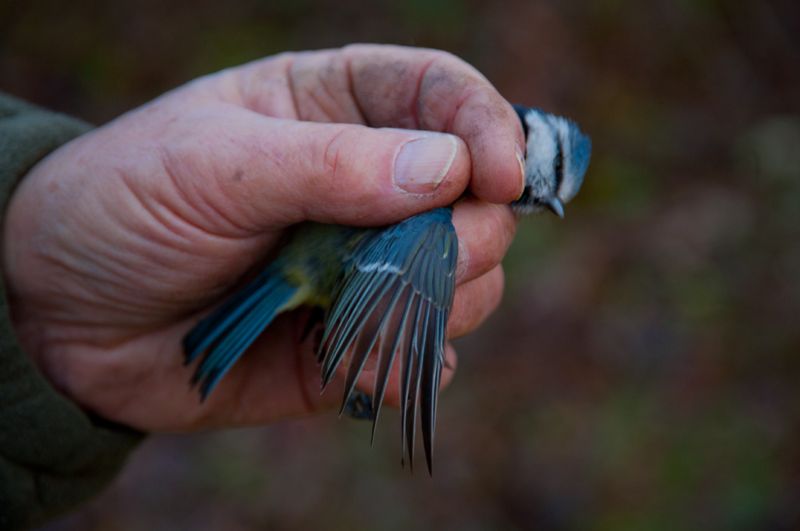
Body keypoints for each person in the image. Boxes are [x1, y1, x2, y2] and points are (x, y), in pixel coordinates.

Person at [0, 44, 522, 528]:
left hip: (298, 273)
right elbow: (396, 289)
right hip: (307, 272)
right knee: (431, 271)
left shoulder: (431, 222)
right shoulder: (431, 217)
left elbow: (386, 289)